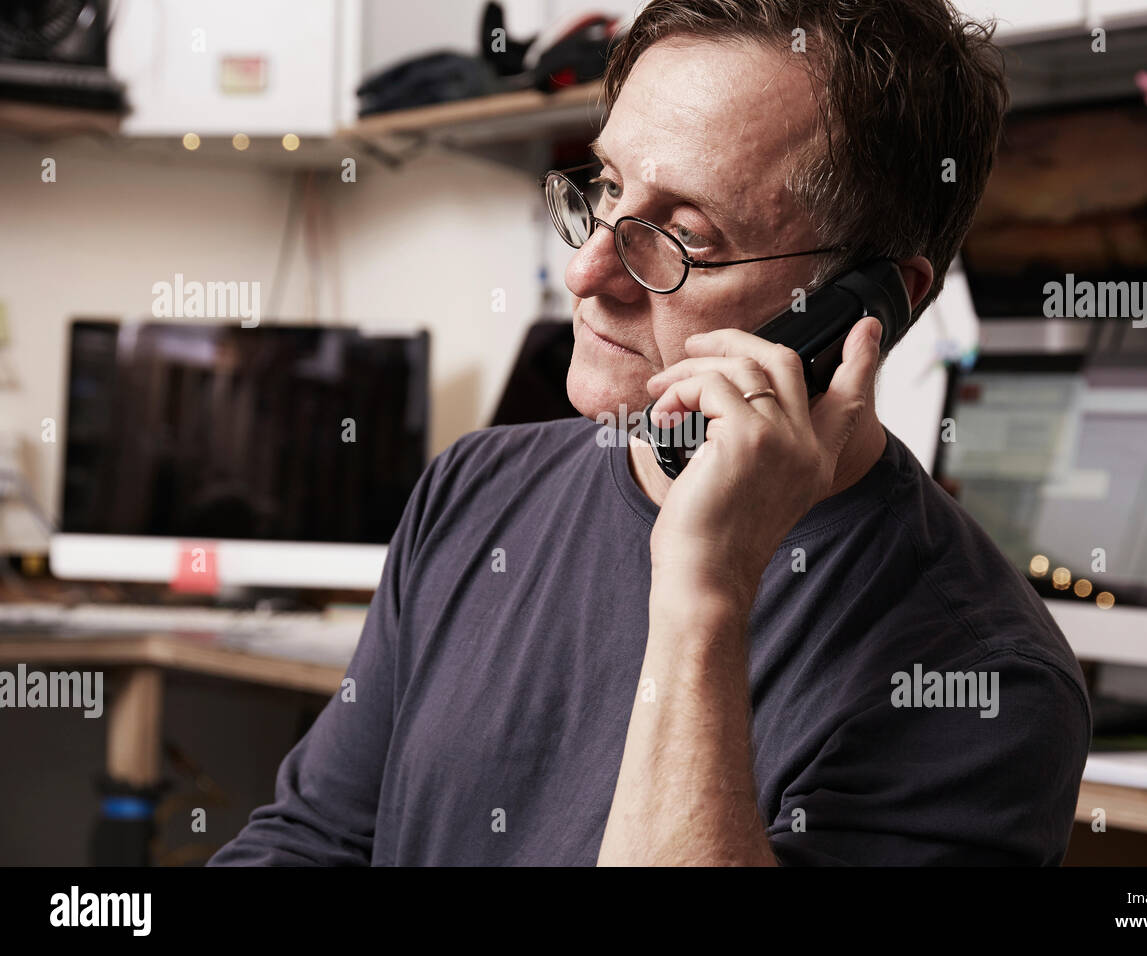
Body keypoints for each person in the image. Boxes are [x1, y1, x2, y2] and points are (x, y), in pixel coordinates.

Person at [210, 0, 1091, 867]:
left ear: (870, 304)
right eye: (605, 189)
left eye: (683, 235)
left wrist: (703, 592)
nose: (587, 270)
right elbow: (312, 843)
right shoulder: (474, 490)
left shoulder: (987, 682)